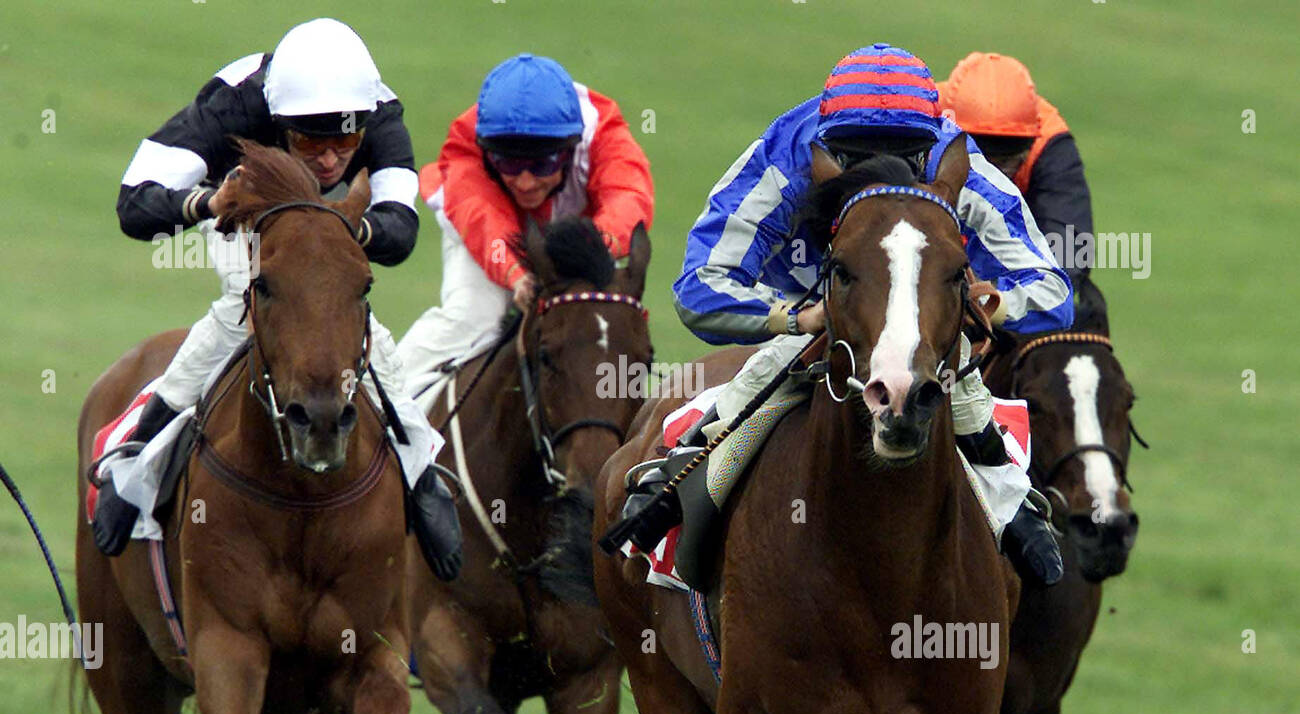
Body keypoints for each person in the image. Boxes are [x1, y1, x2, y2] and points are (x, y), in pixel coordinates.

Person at [636, 44, 1071, 585]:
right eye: (854, 154)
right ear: (823, 140)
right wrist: (797, 319)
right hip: (814, 316)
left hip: (921, 319)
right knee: (771, 367)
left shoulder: (958, 162)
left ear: (929, 143)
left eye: (897, 154)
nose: (873, 171)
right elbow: (698, 289)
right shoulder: (785, 156)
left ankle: (1013, 506)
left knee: (953, 380)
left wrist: (993, 302)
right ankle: (684, 471)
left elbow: (1053, 291)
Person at [95, 18, 460, 579]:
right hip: (241, 210)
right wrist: (206, 203)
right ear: (279, 121)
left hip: (333, 226)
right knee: (247, 307)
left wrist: (343, 234)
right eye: (312, 140)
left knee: (343, 313)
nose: (332, 159)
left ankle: (418, 473)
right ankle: (139, 456)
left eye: (346, 140)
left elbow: (401, 230)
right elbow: (133, 204)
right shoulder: (233, 106)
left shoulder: (380, 112)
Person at [395, 53, 654, 404]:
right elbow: (483, 219)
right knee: (474, 317)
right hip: (489, 238)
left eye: (542, 163)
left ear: (571, 147)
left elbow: (628, 199)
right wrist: (516, 274)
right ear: (487, 151)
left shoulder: (603, 131)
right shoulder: (466, 144)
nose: (526, 182)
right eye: (508, 163)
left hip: (579, 235)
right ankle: (387, 402)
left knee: (606, 324)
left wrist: (585, 257)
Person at [938, 51, 1094, 288]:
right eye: (979, 161)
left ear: (1031, 143)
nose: (992, 177)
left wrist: (1000, 301)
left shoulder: (1050, 146)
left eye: (1005, 164)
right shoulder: (920, 119)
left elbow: (1069, 254)